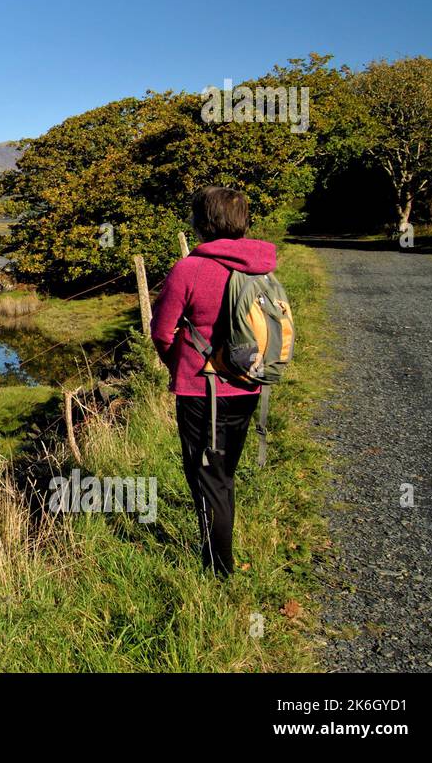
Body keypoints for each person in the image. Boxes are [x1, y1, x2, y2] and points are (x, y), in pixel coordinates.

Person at [150, 186, 276, 576]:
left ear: (202, 222)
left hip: (200, 391)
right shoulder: (261, 265)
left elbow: (161, 330)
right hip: (249, 384)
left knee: (206, 477)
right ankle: (219, 554)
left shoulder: (189, 268)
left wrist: (177, 364)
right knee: (223, 473)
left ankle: (218, 570)